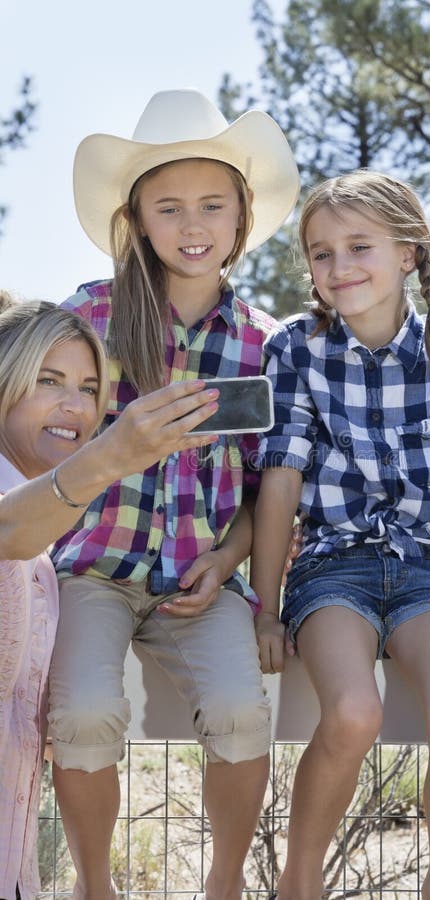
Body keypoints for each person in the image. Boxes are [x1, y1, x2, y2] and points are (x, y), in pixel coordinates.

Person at [46, 88, 299, 900]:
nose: (193, 226)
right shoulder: (90, 317)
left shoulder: (265, 341)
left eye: (212, 206)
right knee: (83, 715)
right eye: (169, 207)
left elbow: (267, 483)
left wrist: (229, 562)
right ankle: (94, 885)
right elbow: (41, 435)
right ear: (138, 222)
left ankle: (222, 884)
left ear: (240, 216)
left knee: (239, 712)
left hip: (202, 578)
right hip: (94, 568)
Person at [250, 170, 430, 900]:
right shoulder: (297, 348)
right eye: (321, 253)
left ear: (410, 253)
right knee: (355, 711)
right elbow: (281, 481)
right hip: (330, 568)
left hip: (425, 567)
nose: (340, 267)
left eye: (359, 246)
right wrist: (266, 607)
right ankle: (298, 885)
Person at [0, 297, 220, 900]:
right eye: (49, 381)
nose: (75, 406)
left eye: (90, 388)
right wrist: (109, 458)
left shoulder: (47, 527)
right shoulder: (24, 511)